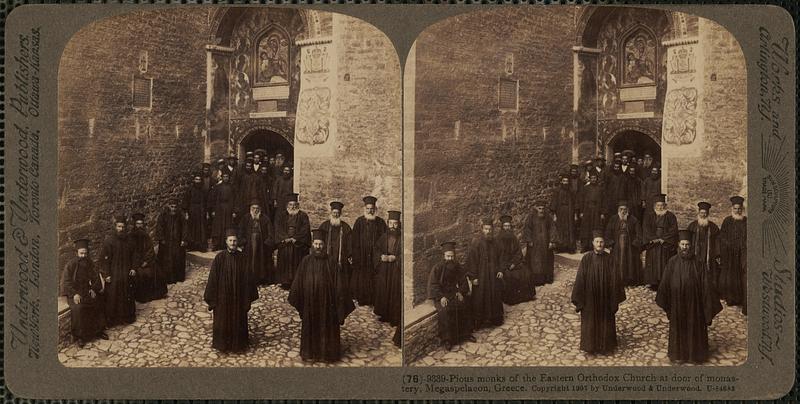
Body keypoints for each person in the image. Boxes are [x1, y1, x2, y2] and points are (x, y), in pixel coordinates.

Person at [289, 228, 355, 362]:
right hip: (310, 302)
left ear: (324, 246)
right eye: (316, 244)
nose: (318, 247)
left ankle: (327, 354)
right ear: (313, 244)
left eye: (320, 244)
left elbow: (340, 285)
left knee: (327, 326)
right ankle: (310, 353)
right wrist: (299, 298)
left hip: (327, 304)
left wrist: (339, 304)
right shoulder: (306, 261)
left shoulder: (332, 262)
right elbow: (298, 283)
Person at [656, 229, 723, 363]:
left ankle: (695, 356)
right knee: (679, 329)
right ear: (678, 245)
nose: (685, 247)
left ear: (691, 246)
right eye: (682, 244)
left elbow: (706, 285)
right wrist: (667, 304)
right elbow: (665, 284)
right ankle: (679, 355)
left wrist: (707, 308)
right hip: (677, 303)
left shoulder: (698, 263)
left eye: (687, 244)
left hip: (695, 304)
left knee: (694, 328)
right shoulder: (672, 262)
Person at [571, 230, 626, 355]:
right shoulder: (586, 259)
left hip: (605, 297)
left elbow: (615, 279)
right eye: (597, 242)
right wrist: (580, 299)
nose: (599, 244)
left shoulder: (610, 259)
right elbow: (580, 279)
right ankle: (590, 347)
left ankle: (606, 346)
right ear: (593, 243)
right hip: (590, 298)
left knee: (605, 320)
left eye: (601, 242)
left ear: (604, 243)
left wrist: (614, 296)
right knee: (590, 321)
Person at [204, 229, 259, 353]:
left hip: (238, 297)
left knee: (238, 319)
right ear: (226, 242)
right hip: (223, 297)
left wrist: (247, 297)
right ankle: (222, 345)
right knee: (222, 320)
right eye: (230, 240)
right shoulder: (219, 258)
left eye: (234, 241)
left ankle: (238, 345)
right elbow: (213, 279)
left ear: (237, 242)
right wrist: (213, 299)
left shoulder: (243, 258)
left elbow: (248, 279)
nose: (233, 243)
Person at [427, 241, 476, 350]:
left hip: (454, 293)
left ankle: (466, 334)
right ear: (444, 256)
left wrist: (461, 292)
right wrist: (441, 297)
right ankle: (447, 340)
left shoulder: (457, 266)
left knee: (464, 304)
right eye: (448, 256)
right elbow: (433, 285)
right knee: (445, 311)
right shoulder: (437, 268)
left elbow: (463, 280)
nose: (450, 259)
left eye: (452, 256)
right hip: (441, 295)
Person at [61, 239, 108, 347]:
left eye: (85, 253)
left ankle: (99, 331)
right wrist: (74, 294)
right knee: (79, 308)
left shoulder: (89, 263)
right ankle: (80, 337)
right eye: (81, 253)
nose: (83, 256)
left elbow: (95, 277)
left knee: (98, 302)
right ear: (76, 253)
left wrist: (93, 289)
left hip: (87, 290)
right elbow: (66, 282)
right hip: (74, 293)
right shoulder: (70, 265)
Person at [466, 218, 504, 330]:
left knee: (494, 296)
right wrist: (473, 277)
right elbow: (472, 261)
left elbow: (501, 257)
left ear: (492, 229)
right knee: (480, 298)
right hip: (481, 277)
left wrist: (501, 270)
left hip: (493, 276)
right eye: (486, 229)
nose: (488, 231)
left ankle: (495, 318)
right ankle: (480, 320)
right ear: (482, 229)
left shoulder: (496, 243)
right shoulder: (476, 243)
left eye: (490, 229)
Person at [350, 196, 387, 306]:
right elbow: (354, 240)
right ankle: (362, 298)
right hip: (362, 255)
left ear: (375, 209)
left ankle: (374, 299)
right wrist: (355, 255)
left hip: (376, 255)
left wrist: (381, 254)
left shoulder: (380, 222)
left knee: (374, 276)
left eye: (372, 209)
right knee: (362, 277)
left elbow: (384, 239)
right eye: (368, 209)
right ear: (364, 209)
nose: (370, 211)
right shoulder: (359, 222)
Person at [100, 216, 136, 327]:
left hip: (126, 273)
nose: (121, 229)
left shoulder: (130, 240)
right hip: (114, 273)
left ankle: (126, 317)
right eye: (119, 227)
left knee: (126, 294)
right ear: (115, 227)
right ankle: (113, 319)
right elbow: (104, 259)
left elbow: (135, 255)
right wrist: (106, 274)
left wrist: (133, 268)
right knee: (113, 296)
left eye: (123, 227)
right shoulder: (109, 241)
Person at [274, 193, 311, 289]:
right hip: (285, 243)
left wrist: (296, 238)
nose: (292, 207)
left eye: (294, 205)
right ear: (287, 205)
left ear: (297, 205)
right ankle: (285, 282)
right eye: (290, 205)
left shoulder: (303, 216)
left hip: (297, 244)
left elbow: (305, 229)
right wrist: (285, 238)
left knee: (297, 262)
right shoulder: (281, 215)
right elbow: (278, 228)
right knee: (285, 262)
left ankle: (297, 282)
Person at [642, 194, 679, 289]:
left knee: (665, 262)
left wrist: (664, 239)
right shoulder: (649, 216)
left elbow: (673, 230)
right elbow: (646, 229)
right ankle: (652, 282)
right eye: (658, 205)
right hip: (654, 244)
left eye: (662, 205)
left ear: (665, 206)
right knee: (653, 262)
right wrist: (654, 238)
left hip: (665, 244)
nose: (660, 207)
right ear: (655, 206)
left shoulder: (671, 216)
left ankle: (665, 281)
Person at [497, 215, 534, 305]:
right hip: (503, 265)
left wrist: (514, 263)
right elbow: (498, 256)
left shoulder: (514, 238)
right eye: (505, 226)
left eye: (509, 226)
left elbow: (518, 253)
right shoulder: (498, 240)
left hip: (514, 263)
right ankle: (512, 299)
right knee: (510, 276)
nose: (507, 228)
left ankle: (525, 297)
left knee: (526, 273)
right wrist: (507, 265)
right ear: (502, 227)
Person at [373, 210, 402, 326]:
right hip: (384, 268)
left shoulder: (402, 238)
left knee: (394, 291)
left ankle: (393, 317)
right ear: (388, 223)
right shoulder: (384, 237)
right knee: (384, 290)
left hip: (395, 268)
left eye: (395, 223)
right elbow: (376, 249)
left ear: (398, 224)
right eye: (391, 223)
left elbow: (405, 254)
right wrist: (381, 256)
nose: (393, 226)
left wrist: (395, 258)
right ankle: (384, 314)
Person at [718, 196, 747, 310]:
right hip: (729, 254)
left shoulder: (746, 221)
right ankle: (730, 298)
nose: (737, 211)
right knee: (730, 276)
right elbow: (722, 236)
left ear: (742, 209)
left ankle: (740, 298)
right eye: (735, 208)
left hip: (742, 254)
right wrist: (728, 245)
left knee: (741, 275)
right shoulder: (727, 221)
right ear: (732, 209)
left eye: (739, 209)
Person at [130, 213, 167, 303]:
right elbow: (131, 252)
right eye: (137, 224)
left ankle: (155, 295)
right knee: (141, 274)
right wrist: (138, 263)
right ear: (135, 224)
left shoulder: (146, 235)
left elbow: (150, 249)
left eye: (141, 224)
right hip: (135, 263)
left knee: (156, 272)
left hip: (146, 260)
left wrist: (146, 261)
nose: (139, 226)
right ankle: (142, 297)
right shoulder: (130, 236)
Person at [605, 201, 643, 287]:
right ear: (618, 210)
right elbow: (608, 232)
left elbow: (639, 234)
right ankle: (617, 279)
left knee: (630, 261)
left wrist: (635, 244)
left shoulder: (634, 220)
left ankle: (629, 280)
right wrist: (610, 243)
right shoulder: (613, 219)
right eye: (621, 209)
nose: (623, 211)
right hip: (616, 245)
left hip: (630, 246)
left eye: (625, 209)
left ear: (628, 210)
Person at [238, 200, 274, 285]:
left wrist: (267, 243)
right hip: (249, 244)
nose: (255, 210)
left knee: (261, 261)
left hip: (262, 245)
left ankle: (260, 279)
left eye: (257, 208)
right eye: (253, 208)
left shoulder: (265, 219)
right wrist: (243, 241)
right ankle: (249, 279)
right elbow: (240, 231)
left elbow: (270, 233)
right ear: (250, 209)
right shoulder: (245, 218)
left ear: (260, 209)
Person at [687, 202, 721, 290]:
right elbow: (687, 239)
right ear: (699, 213)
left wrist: (717, 254)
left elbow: (717, 240)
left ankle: (707, 289)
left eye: (705, 213)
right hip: (695, 253)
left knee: (708, 271)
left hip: (708, 253)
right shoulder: (692, 226)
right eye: (702, 213)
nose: (703, 215)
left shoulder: (713, 227)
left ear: (708, 214)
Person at [523, 201, 557, 286]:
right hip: (535, 245)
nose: (541, 210)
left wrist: (552, 241)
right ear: (536, 208)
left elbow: (552, 228)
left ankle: (547, 279)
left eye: (543, 208)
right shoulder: (531, 217)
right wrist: (529, 240)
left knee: (546, 260)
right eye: (539, 208)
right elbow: (527, 228)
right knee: (535, 262)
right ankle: (537, 280)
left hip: (545, 244)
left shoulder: (548, 217)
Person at [318, 201, 353, 283]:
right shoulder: (324, 226)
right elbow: (319, 239)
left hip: (341, 257)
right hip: (326, 256)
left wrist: (350, 254)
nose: (336, 215)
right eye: (334, 213)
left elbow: (350, 242)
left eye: (337, 213)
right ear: (331, 213)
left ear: (340, 214)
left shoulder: (346, 227)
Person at [155, 199, 187, 283]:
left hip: (177, 242)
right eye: (172, 207)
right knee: (166, 259)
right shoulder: (163, 215)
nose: (173, 209)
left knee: (177, 258)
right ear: (168, 206)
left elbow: (185, 227)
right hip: (167, 242)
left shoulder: (180, 215)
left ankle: (177, 277)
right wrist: (162, 239)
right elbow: (159, 227)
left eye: (175, 207)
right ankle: (167, 278)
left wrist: (183, 239)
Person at [209, 172, 238, 250]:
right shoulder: (217, 187)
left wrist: (234, 211)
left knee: (227, 226)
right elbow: (213, 199)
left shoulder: (232, 187)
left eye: (227, 176)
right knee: (218, 227)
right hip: (219, 209)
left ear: (229, 177)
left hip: (229, 208)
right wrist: (213, 210)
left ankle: (225, 244)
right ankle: (216, 244)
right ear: (222, 177)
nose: (226, 178)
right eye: (224, 176)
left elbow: (235, 200)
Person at [578, 172, 606, 252]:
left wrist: (602, 213)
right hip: (587, 210)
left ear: (597, 179)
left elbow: (604, 201)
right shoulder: (585, 188)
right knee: (586, 228)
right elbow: (581, 200)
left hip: (597, 211)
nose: (593, 180)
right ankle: (585, 246)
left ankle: (594, 246)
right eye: (592, 178)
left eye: (595, 178)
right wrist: (581, 211)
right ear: (589, 179)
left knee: (595, 228)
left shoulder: (600, 189)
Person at [551, 173, 578, 253]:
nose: (565, 183)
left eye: (567, 181)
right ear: (561, 181)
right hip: (560, 212)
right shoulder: (557, 191)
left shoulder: (571, 191)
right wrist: (554, 215)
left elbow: (575, 203)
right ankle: (560, 248)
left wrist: (575, 214)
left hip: (570, 212)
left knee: (570, 229)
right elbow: (554, 203)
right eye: (564, 181)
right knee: (560, 229)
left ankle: (570, 248)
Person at [183, 173, 209, 251]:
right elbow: (186, 201)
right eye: (196, 179)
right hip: (192, 210)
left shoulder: (203, 190)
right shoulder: (190, 189)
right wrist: (186, 213)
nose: (198, 181)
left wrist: (207, 212)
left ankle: (201, 246)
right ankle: (191, 246)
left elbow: (206, 202)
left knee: (201, 228)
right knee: (192, 228)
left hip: (201, 211)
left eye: (199, 179)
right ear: (194, 180)